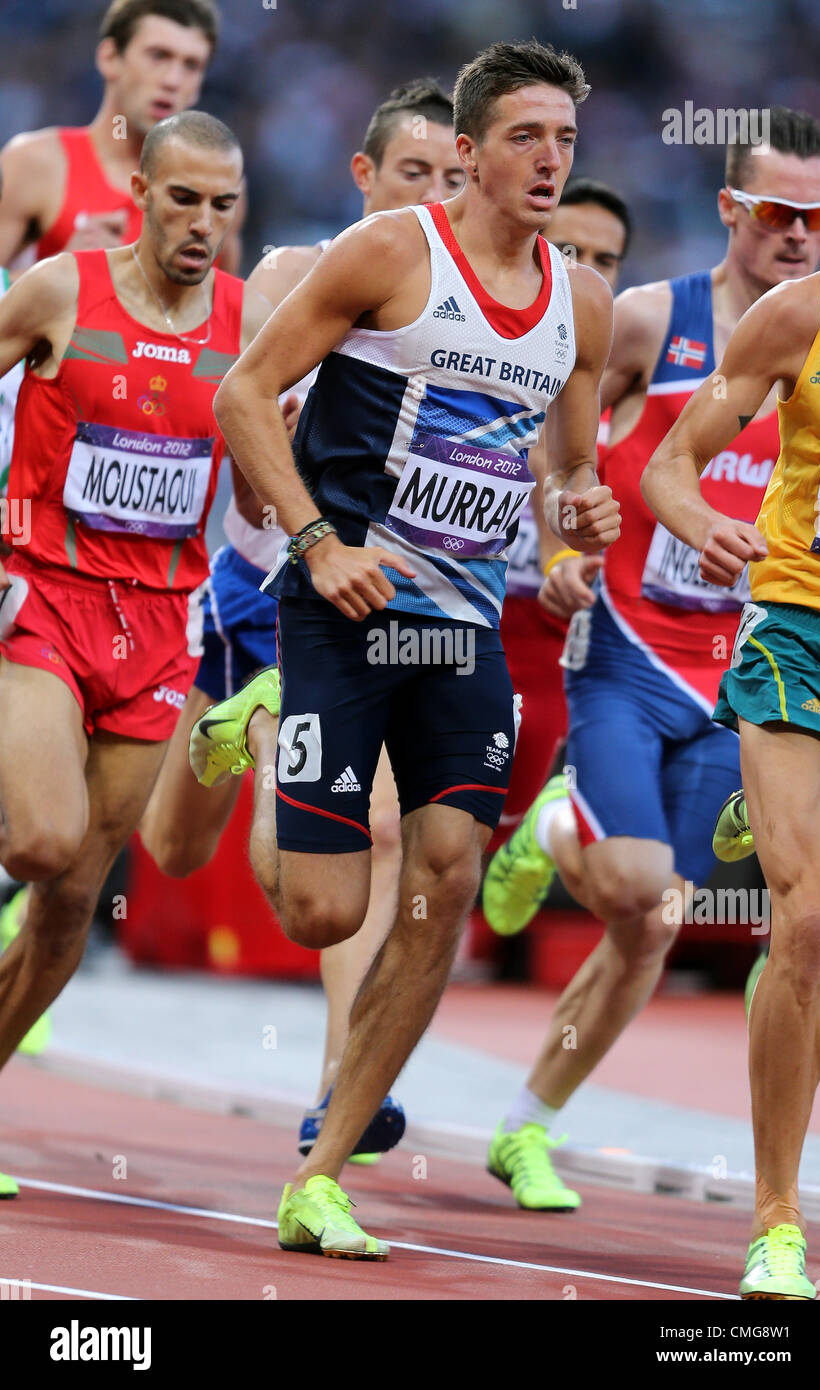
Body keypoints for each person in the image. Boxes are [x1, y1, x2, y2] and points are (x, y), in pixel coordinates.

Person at [202, 38, 619, 1260]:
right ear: (472, 153)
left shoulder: (578, 303)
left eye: (567, 142)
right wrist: (321, 542)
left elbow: (567, 469)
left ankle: (324, 1170)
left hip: (461, 626)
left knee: (439, 881)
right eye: (529, 139)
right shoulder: (394, 252)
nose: (551, 162)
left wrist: (577, 519)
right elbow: (242, 394)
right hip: (337, 607)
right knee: (327, 914)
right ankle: (264, 717)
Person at [481, 107, 820, 1221]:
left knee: (656, 921)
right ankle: (550, 826)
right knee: (637, 885)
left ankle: (524, 1127)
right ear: (731, 208)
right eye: (775, 213)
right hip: (630, 649)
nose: (795, 235)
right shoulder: (650, 320)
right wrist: (555, 536)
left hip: (742, 665)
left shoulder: (817, 338)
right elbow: (558, 433)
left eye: (815, 218)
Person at [139, 80, 464, 1163]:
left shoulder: (478, 313)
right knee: (174, 850)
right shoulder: (291, 275)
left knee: (365, 836)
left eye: (451, 177)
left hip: (355, 609)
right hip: (252, 586)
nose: (436, 195)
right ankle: (247, 730)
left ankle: (342, 1086)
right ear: (365, 178)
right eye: (412, 174)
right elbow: (235, 422)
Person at [0, 111, 266, 1200]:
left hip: (162, 624)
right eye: (183, 199)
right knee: (40, 841)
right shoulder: (62, 289)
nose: (202, 224)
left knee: (75, 892)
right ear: (140, 195)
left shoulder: (252, 324)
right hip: (45, 596)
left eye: (223, 205)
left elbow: (260, 487)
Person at [641, 180, 820, 1305]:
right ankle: (775, 1221)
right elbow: (673, 459)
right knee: (803, 923)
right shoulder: (799, 316)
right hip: (799, 635)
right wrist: (699, 521)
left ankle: (772, 813)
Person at [491, 179, 631, 857]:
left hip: (549, 635)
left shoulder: (623, 382)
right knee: (412, 823)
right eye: (570, 249)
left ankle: (544, 828)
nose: (585, 270)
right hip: (453, 618)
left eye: (605, 261)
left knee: (490, 832)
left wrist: (567, 561)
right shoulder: (478, 344)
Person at [0, 0, 243, 274]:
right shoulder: (35, 163)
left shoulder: (219, 187)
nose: (173, 80)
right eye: (158, 56)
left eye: (191, 65)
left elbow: (226, 310)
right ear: (110, 58)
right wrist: (58, 273)